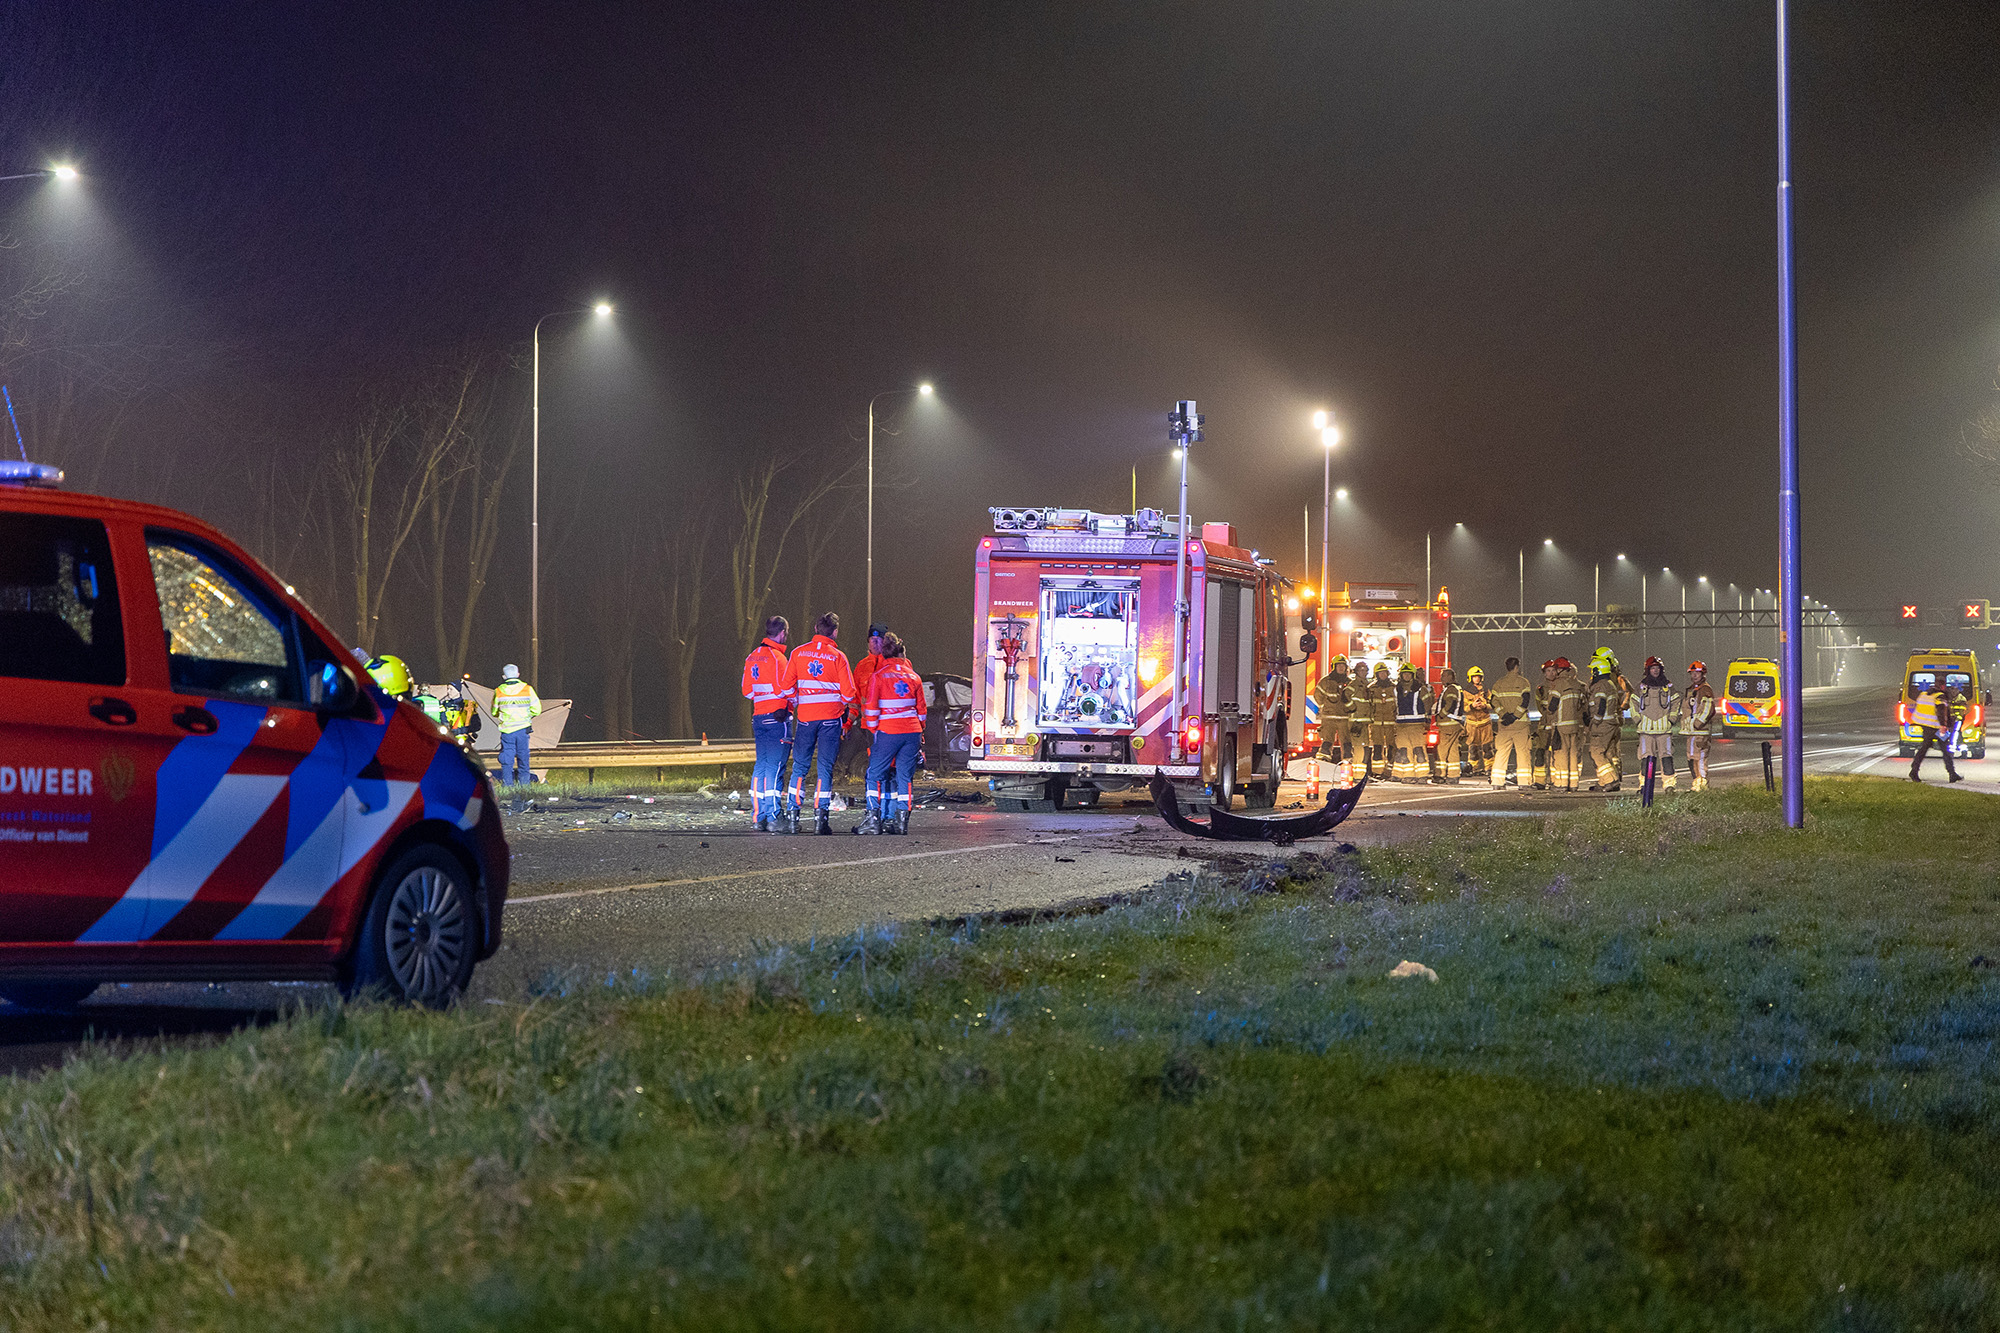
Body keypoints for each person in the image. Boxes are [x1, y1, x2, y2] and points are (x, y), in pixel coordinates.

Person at [789, 612, 858, 834]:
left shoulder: (798, 653)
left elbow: (785, 687)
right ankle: (821, 820)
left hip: (806, 719)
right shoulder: (838, 657)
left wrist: (801, 699)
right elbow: (849, 695)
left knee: (799, 767)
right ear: (835, 632)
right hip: (830, 720)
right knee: (825, 769)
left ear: (816, 628)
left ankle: (793, 816)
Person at [854, 633, 927, 834]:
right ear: (903, 655)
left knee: (874, 775)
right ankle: (902, 821)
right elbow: (922, 710)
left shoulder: (879, 676)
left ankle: (872, 820)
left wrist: (873, 730)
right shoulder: (914, 677)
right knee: (905, 776)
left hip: (888, 732)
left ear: (885, 655)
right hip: (912, 732)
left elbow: (871, 708)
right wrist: (919, 732)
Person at [741, 616, 797, 832]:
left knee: (761, 766)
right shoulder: (779, 659)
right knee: (775, 767)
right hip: (778, 719)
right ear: (783, 632)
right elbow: (788, 689)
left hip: (758, 717)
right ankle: (774, 817)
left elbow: (747, 692)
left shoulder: (752, 657)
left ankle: (759, 816)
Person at [835, 622, 889, 784]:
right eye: (872, 639)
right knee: (874, 761)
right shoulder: (862, 666)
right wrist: (848, 723)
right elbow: (855, 700)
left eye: (879, 640)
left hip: (889, 724)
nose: (875, 643)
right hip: (869, 726)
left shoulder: (892, 664)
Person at [1629, 655, 1680, 792]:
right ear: (1648, 670)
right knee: (1647, 759)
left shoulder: (1668, 686)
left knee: (1667, 757)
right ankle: (1645, 785)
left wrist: (1672, 719)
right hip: (1646, 730)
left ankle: (1669, 785)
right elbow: (1632, 703)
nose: (1655, 671)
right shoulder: (1640, 687)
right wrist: (1637, 720)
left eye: (1657, 668)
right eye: (1653, 668)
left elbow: (1676, 702)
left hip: (1664, 729)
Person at [493, 663, 543, 788]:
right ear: (518, 675)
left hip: (507, 731)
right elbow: (537, 710)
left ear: (504, 677)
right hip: (523, 729)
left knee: (507, 759)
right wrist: (526, 715)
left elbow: (494, 711)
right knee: (523, 758)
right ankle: (524, 786)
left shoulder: (499, 691)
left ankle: (508, 785)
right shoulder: (528, 689)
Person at [1584, 648, 1627, 792]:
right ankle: (1604, 782)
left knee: (1596, 752)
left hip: (1602, 724)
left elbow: (1600, 704)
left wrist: (1594, 720)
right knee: (1608, 753)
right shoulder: (1610, 683)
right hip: (1612, 723)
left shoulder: (1600, 685)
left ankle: (1610, 779)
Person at [1489, 657, 1535, 789]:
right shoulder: (1523, 682)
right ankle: (1524, 783)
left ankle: (1497, 782)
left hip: (1504, 725)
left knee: (1501, 752)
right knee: (1523, 753)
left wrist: (1504, 714)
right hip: (1520, 725)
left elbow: (1494, 702)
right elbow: (1525, 702)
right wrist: (1515, 716)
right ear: (1517, 667)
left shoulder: (1498, 684)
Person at [1542, 657, 1587, 791]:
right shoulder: (1577, 685)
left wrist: (1550, 714)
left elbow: (1551, 706)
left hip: (1561, 725)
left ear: (1560, 670)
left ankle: (1561, 784)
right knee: (1573, 754)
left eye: (1556, 669)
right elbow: (1582, 706)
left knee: (1560, 754)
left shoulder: (1558, 685)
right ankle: (1573, 785)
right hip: (1574, 725)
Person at [1908, 678, 1963, 784]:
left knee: (1924, 749)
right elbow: (1941, 711)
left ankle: (1914, 770)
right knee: (1945, 750)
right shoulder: (1939, 696)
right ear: (1942, 686)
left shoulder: (1924, 694)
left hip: (1926, 726)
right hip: (1936, 727)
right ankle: (1952, 774)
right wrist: (1943, 725)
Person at [1312, 655, 1353, 776]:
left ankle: (1347, 764)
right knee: (1327, 741)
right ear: (1333, 667)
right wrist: (1324, 707)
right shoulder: (1325, 681)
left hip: (1345, 718)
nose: (1341, 668)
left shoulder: (1350, 682)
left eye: (1343, 666)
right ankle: (1324, 763)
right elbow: (1317, 695)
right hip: (1329, 718)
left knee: (1346, 742)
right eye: (1338, 665)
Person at [1391, 663, 1431, 782]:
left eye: (1409, 674)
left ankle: (1422, 775)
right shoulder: (1396, 689)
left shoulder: (1420, 689)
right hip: (1401, 725)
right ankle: (1408, 775)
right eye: (1404, 674)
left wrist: (1427, 720)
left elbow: (1428, 704)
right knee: (1404, 750)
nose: (1406, 676)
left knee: (1419, 750)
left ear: (1413, 675)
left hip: (1417, 724)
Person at [1681, 660, 1715, 791]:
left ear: (1703, 674)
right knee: (1691, 758)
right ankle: (1696, 783)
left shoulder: (1705, 689)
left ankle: (1702, 784)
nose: (1694, 675)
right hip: (1691, 732)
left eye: (1697, 673)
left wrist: (1698, 724)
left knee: (1700, 758)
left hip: (1700, 732)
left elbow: (1708, 709)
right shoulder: (1691, 690)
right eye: (1693, 673)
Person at [1430, 667, 1464, 783]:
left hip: (1448, 724)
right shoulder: (1457, 688)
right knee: (1453, 750)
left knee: (1441, 750)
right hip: (1455, 724)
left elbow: (1450, 703)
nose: (1441, 678)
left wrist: (1440, 715)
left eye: (1443, 676)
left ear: (1450, 677)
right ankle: (1453, 776)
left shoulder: (1451, 689)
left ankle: (1439, 775)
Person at [1461, 665, 1493, 780]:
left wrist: (1484, 705)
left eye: (1478, 677)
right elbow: (1463, 708)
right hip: (1472, 724)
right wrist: (1472, 705)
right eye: (1474, 677)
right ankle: (1473, 768)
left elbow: (1493, 704)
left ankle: (1489, 768)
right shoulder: (1465, 692)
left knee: (1487, 748)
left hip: (1485, 723)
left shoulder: (1486, 690)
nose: (1477, 679)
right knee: (1473, 748)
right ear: (1470, 678)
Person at [1367, 662, 1398, 779]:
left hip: (1391, 723)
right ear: (1377, 674)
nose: (1383, 675)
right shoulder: (1371, 688)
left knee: (1391, 748)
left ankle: (1389, 771)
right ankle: (1377, 772)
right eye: (1380, 673)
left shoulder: (1394, 688)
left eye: (1384, 672)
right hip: (1376, 723)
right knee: (1377, 747)